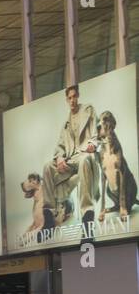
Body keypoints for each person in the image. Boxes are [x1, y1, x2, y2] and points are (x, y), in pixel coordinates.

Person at [39, 83, 99, 226]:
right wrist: (60, 157)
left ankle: (87, 214)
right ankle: (49, 215)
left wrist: (92, 144)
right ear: (67, 100)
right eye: (69, 98)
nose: (72, 100)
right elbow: (60, 146)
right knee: (47, 167)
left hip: (85, 155)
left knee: (84, 160)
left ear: (78, 96)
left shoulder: (88, 110)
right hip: (70, 160)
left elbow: (95, 134)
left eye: (74, 96)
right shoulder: (66, 123)